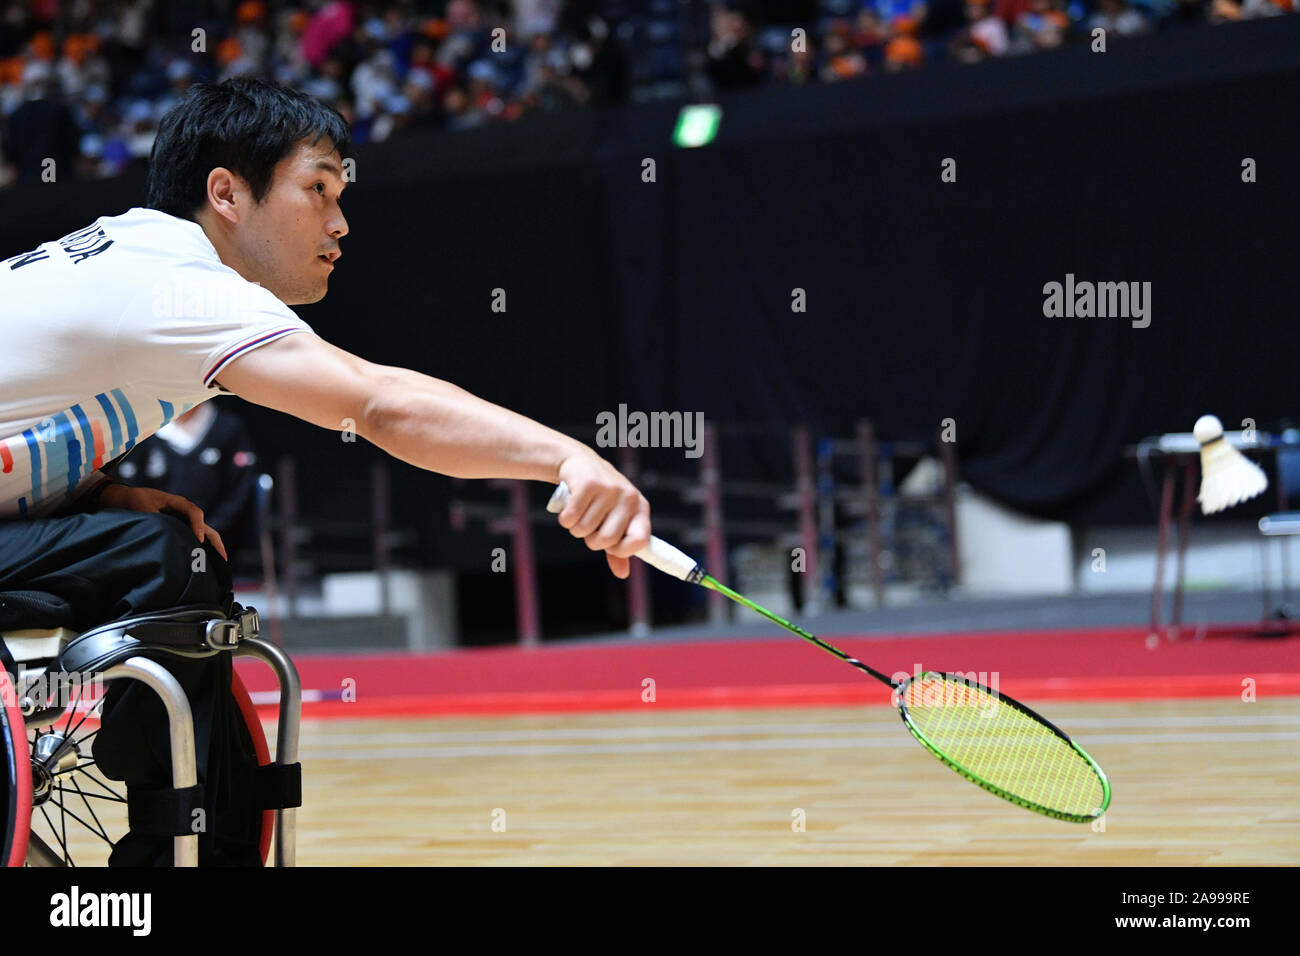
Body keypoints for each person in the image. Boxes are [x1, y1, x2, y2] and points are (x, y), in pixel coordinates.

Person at [0, 77, 651, 864]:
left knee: (162, 542)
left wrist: (99, 491)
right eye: (318, 189)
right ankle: (187, 854)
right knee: (164, 555)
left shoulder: (123, 257)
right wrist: (565, 458)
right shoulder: (177, 283)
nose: (340, 224)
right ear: (226, 193)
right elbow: (378, 403)